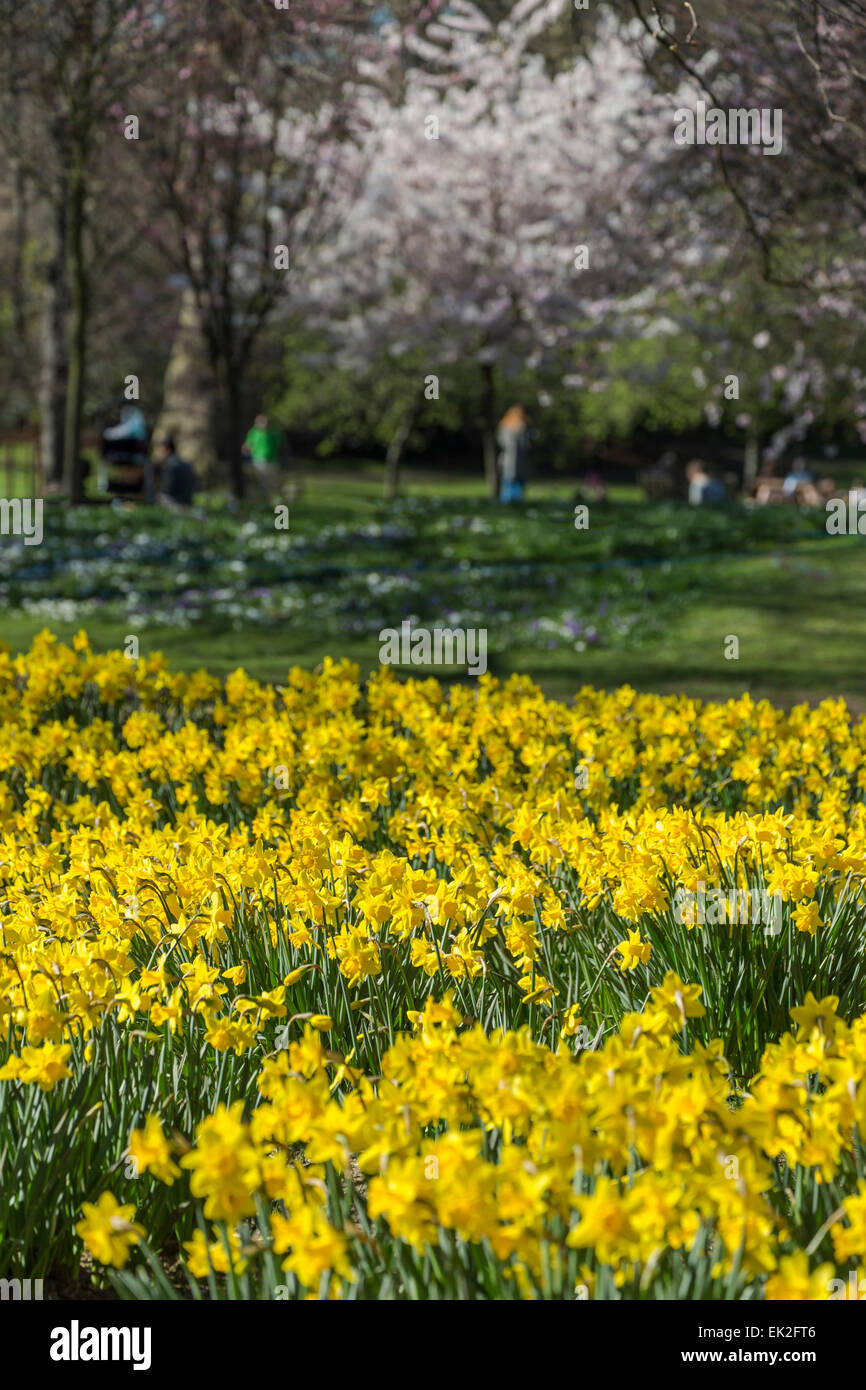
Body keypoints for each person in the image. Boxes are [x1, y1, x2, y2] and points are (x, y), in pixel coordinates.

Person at [242, 413, 283, 500]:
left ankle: (274, 500)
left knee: (274, 481)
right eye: (260, 422)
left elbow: (279, 444)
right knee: (263, 481)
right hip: (259, 459)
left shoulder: (272, 432)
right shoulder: (253, 433)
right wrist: (245, 457)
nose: (263, 423)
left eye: (264, 421)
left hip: (272, 459)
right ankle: (264, 499)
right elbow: (247, 446)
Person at [497, 405, 529, 502]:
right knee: (515, 485)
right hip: (516, 461)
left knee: (507, 484)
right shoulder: (523, 428)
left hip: (507, 461)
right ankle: (514, 503)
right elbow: (525, 445)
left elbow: (501, 442)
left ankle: (508, 503)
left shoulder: (503, 426)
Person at [155, 436, 196, 511]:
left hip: (176, 505)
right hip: (188, 502)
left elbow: (167, 490)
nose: (158, 453)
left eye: (160, 449)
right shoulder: (186, 463)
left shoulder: (169, 465)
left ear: (167, 449)